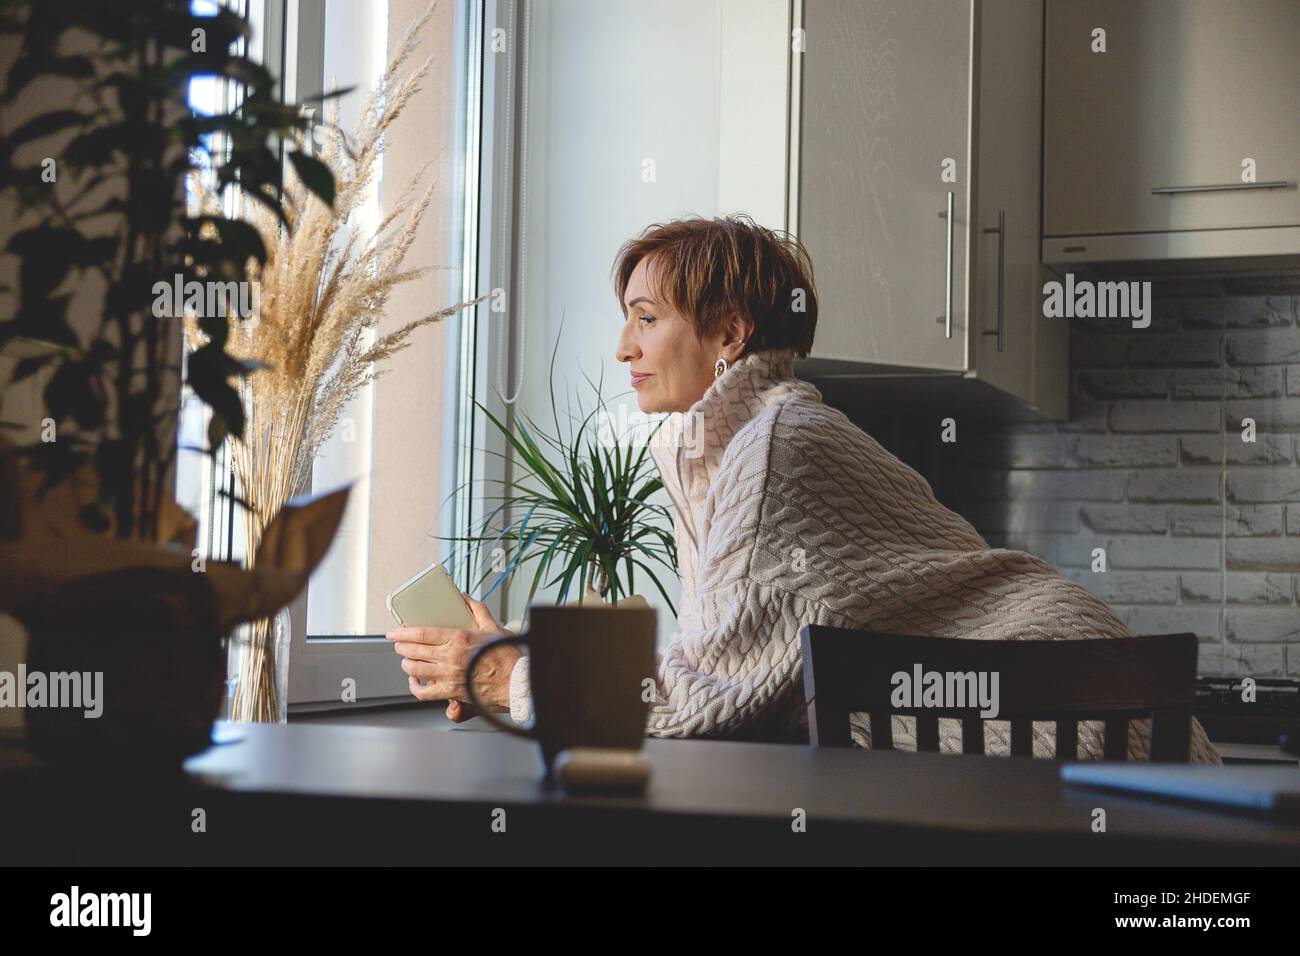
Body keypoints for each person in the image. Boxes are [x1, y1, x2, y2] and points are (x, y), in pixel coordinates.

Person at [388, 214, 1220, 762]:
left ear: (729, 334)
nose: (622, 346)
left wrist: (508, 675)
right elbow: (723, 666)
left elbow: (708, 701)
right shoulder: (733, 446)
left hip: (1088, 735)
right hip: (1078, 722)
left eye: (646, 317)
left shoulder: (773, 446)